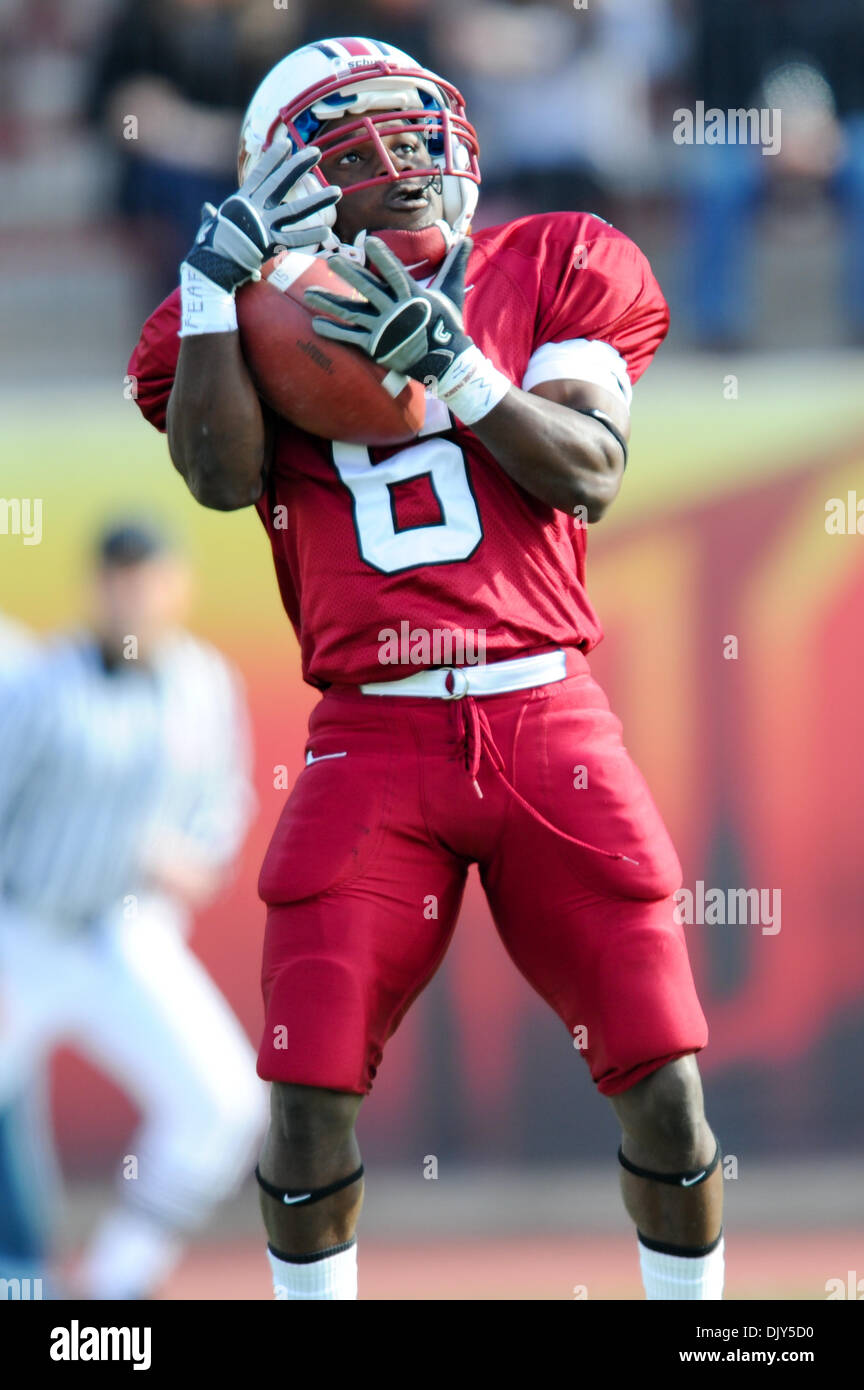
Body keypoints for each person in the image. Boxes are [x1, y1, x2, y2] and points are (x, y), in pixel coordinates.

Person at [129, 36, 723, 1301]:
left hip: (543, 712)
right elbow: (224, 475)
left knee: (663, 1077)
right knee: (302, 1095)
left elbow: (589, 470)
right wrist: (222, 295)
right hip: (369, 735)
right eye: (358, 146)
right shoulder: (229, 315)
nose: (402, 162)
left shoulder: (556, 260)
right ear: (291, 179)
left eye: (414, 130)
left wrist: (459, 367)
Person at [0, 521, 265, 1300]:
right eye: (118, 578)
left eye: (147, 576)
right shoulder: (41, 685)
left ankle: (113, 1286)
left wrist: (192, 860)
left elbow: (222, 809)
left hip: (125, 937)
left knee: (223, 1104)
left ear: (176, 585)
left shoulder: (204, 683)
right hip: (23, 932)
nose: (133, 594)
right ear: (97, 587)